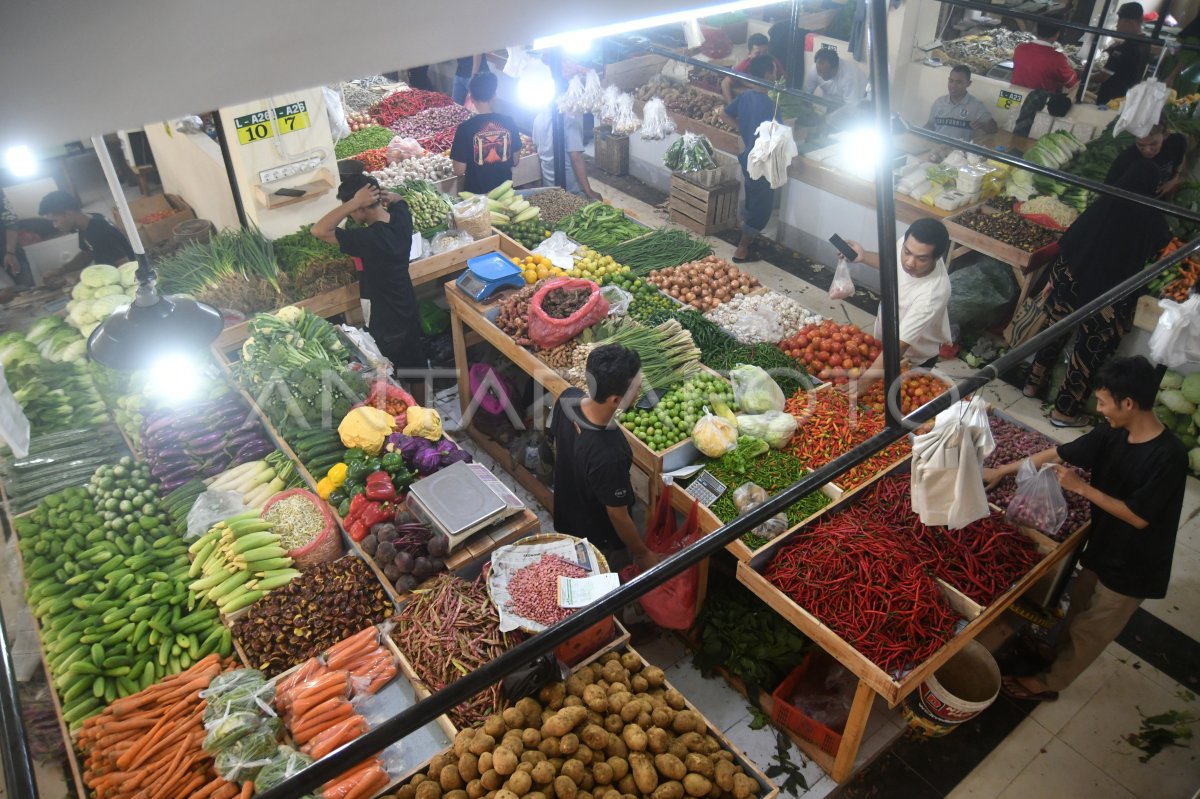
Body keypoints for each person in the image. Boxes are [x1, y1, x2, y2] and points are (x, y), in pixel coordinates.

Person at [984, 355, 1187, 702]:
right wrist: (1003, 470)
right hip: (1105, 544)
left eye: (1105, 402)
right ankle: (1054, 653)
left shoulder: (1169, 457)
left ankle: (1049, 682)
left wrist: (1082, 489)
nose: (1099, 408)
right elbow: (1060, 452)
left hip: (1135, 564)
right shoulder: (1113, 433)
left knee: (1092, 629)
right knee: (1079, 606)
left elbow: (1139, 517)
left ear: (1128, 403)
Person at [1023, 162, 1170, 427]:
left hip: (1074, 279)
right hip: (1109, 295)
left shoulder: (1103, 204)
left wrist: (1053, 281)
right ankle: (1064, 413)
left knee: (1053, 333)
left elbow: (1068, 242)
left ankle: (1032, 386)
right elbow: (1160, 248)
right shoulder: (1153, 217)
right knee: (1087, 353)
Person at [311, 174, 427, 400]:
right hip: (406, 305)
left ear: (361, 208)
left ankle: (403, 412)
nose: (352, 216)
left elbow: (319, 230)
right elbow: (399, 199)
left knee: (386, 372)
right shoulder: (401, 218)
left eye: (353, 210)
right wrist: (386, 196)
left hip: (383, 316)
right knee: (416, 366)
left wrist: (354, 202)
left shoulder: (367, 239)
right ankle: (423, 410)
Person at [547, 344, 657, 571]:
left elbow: (557, 444)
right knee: (604, 582)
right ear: (615, 400)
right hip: (599, 542)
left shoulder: (569, 397)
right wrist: (642, 553)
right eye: (636, 387)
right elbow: (618, 515)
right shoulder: (610, 451)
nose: (640, 391)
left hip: (566, 518)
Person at [844, 219, 953, 391]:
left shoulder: (933, 293)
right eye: (907, 252)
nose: (909, 262)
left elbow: (899, 345)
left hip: (913, 358)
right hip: (885, 347)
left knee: (898, 401)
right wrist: (863, 256)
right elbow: (891, 261)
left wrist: (863, 384)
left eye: (921, 259)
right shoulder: (910, 242)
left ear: (937, 257)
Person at [721, 55, 780, 263]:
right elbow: (779, 134)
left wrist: (744, 131)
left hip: (748, 156)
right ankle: (743, 248)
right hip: (762, 160)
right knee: (761, 204)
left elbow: (724, 114)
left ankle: (747, 237)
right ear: (766, 75)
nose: (775, 75)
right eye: (773, 72)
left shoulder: (745, 97)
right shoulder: (771, 105)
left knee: (753, 195)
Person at [450, 72, 523, 195]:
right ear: (494, 96)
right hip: (505, 195)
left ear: (471, 98)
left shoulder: (464, 129)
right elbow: (515, 160)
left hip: (476, 198)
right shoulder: (509, 122)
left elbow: (458, 170)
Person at [38, 190, 134, 269]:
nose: (55, 226)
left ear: (69, 213)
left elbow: (126, 267)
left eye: (55, 220)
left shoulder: (101, 232)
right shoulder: (87, 222)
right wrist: (60, 272)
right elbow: (86, 254)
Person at [531, 109, 603, 200]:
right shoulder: (570, 121)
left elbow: (538, 150)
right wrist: (589, 191)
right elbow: (576, 158)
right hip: (570, 189)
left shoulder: (538, 118)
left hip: (548, 185)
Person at [1104, 123, 1187, 196]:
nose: (1147, 150)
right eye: (1141, 145)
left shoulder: (1177, 141)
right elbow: (1108, 190)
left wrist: (1175, 178)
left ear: (1165, 135)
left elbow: (1181, 158)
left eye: (1153, 144)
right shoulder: (1126, 160)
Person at [925, 65, 999, 141]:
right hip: (936, 148)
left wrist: (983, 126)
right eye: (951, 81)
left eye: (959, 82)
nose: (953, 86)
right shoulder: (939, 102)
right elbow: (930, 125)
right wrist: (920, 137)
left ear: (968, 83)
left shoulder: (976, 106)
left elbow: (994, 129)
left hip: (959, 151)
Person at [1096, 3, 1150, 105]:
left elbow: (1102, 77)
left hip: (1111, 100)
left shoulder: (1124, 48)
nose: (1117, 25)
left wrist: (1081, 74)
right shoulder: (1146, 42)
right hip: (1127, 98)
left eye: (1119, 21)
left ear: (1129, 22)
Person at [802, 49, 868, 129]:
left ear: (836, 67)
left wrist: (828, 122)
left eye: (826, 73)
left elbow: (851, 108)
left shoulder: (850, 76)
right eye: (819, 72)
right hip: (832, 104)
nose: (822, 76)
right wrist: (811, 113)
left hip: (856, 106)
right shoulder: (815, 69)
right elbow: (807, 96)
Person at [1012, 23, 1080, 93]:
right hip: (1039, 101)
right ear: (1057, 34)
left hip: (1016, 96)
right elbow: (1072, 84)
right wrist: (1069, 66)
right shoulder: (1057, 57)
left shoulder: (1020, 48)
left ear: (1036, 30)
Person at [721, 33, 786, 102]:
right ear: (750, 54)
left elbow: (784, 80)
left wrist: (748, 84)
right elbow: (725, 82)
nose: (762, 57)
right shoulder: (745, 64)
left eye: (765, 52)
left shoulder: (773, 62)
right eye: (758, 53)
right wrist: (730, 104)